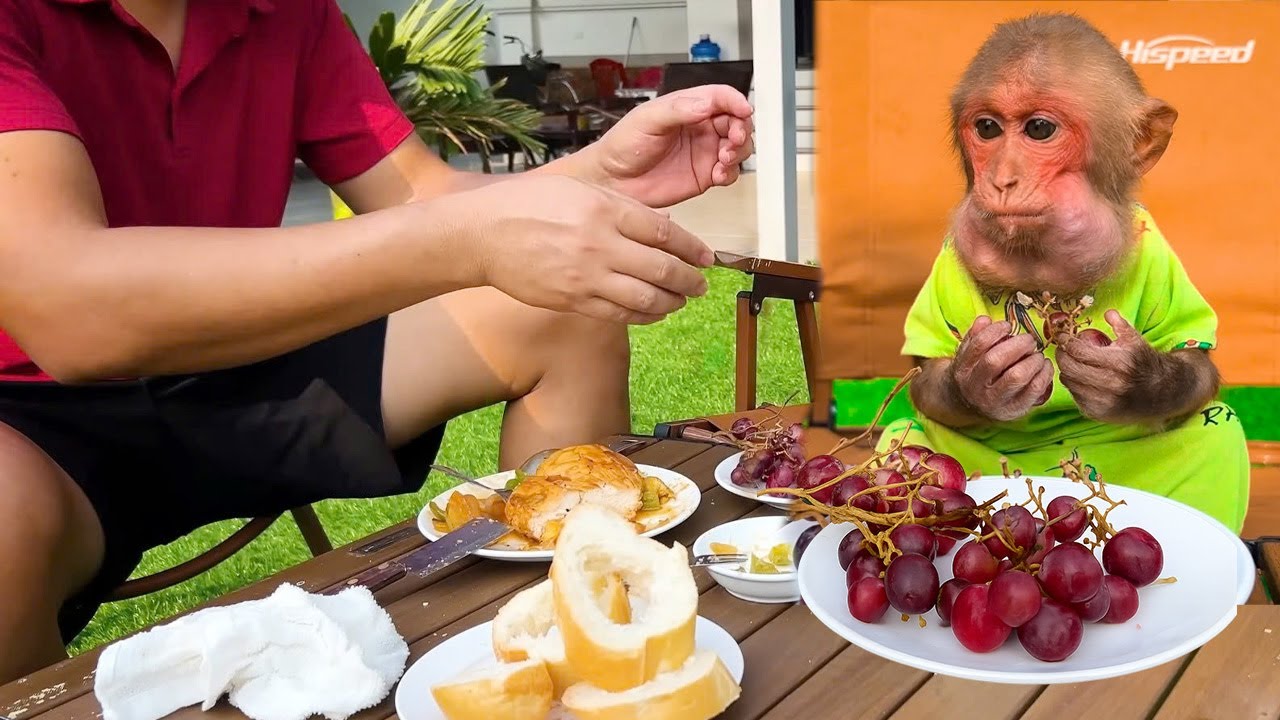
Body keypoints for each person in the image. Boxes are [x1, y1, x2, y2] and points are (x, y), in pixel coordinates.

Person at [0, 0, 754, 680]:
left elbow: (418, 194)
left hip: (247, 356)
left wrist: (594, 177)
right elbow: (70, 316)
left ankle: (576, 647)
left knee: (564, 312)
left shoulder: (286, 13)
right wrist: (461, 241)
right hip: (35, 421)